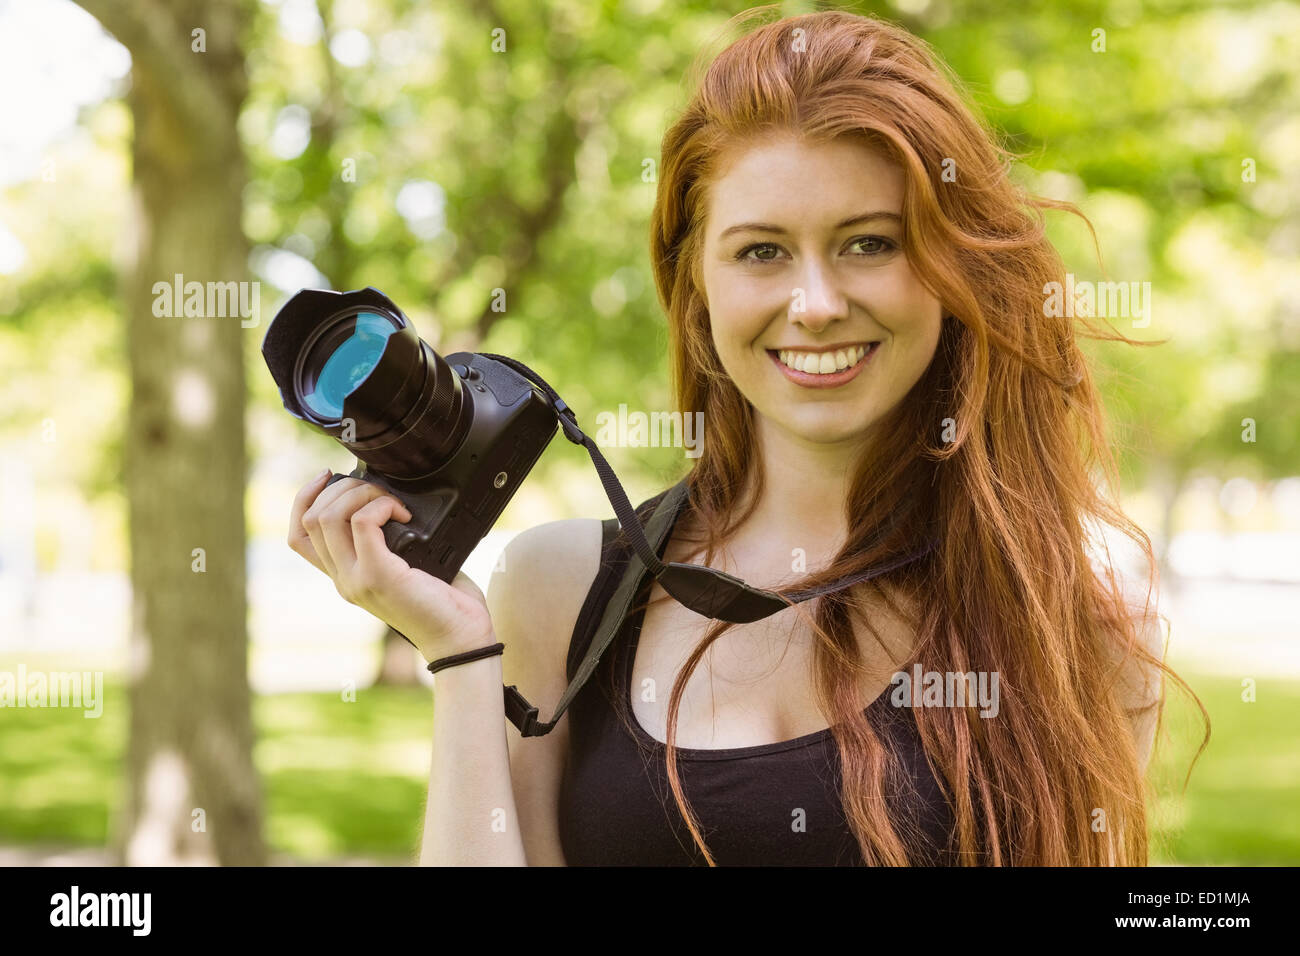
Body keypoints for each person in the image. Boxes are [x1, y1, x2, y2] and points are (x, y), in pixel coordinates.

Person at [286, 8, 1172, 866]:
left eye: (869, 244)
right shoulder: (559, 591)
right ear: (696, 287)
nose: (816, 304)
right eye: (761, 252)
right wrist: (458, 656)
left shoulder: (1076, 614)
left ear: (951, 266)